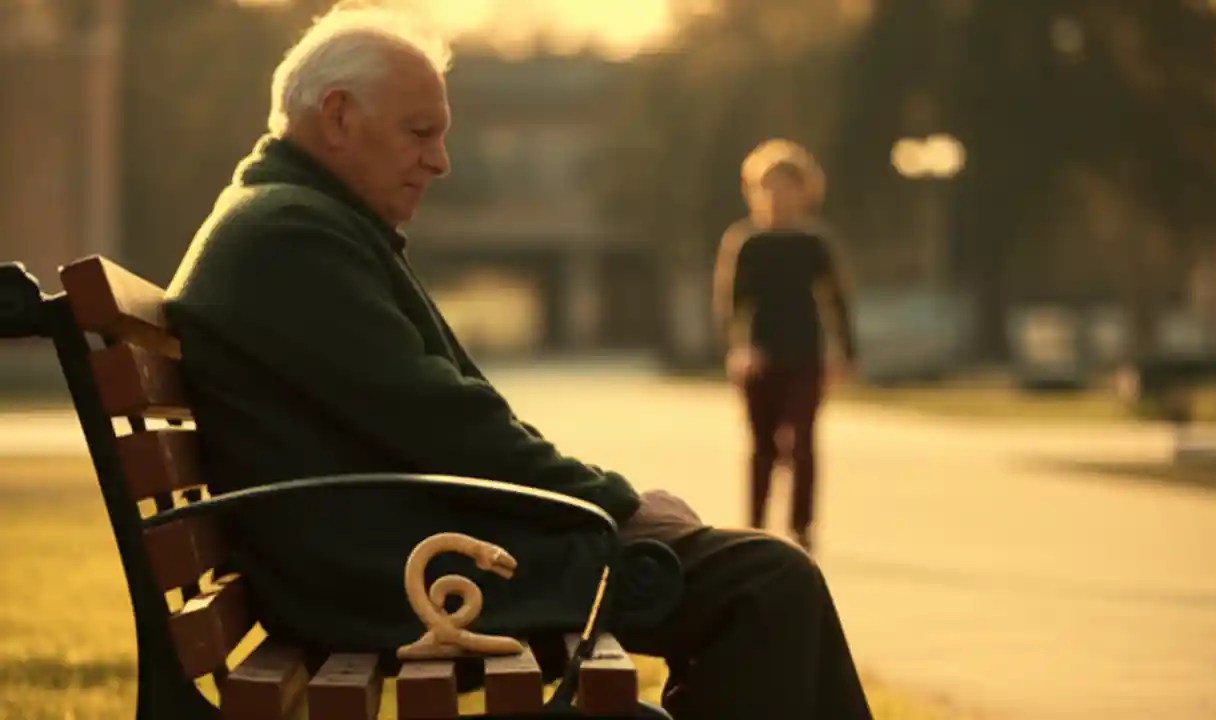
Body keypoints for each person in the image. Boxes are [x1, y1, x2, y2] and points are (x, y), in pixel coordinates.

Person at [164, 7, 873, 718]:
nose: (440, 161)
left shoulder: (292, 220)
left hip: (396, 554)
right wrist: (613, 503)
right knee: (767, 581)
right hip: (403, 576)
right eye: (420, 133)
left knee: (759, 576)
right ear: (340, 117)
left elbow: (435, 418)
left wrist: (603, 505)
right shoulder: (290, 235)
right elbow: (444, 421)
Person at [712, 140, 858, 553]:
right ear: (755, 191)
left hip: (806, 354)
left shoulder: (814, 243)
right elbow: (731, 305)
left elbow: (837, 301)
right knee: (762, 446)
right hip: (761, 356)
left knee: (802, 441)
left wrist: (846, 352)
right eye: (768, 187)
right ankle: (755, 527)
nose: (777, 195)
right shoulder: (746, 243)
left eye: (787, 187)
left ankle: (801, 527)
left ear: (804, 191)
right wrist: (737, 349)